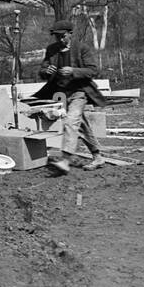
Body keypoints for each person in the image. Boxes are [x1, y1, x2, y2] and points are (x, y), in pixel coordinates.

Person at [37, 20, 105, 174]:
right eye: (57, 37)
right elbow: (42, 70)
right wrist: (46, 71)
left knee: (70, 122)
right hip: (60, 94)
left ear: (70, 34)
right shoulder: (52, 49)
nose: (60, 40)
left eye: (63, 36)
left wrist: (73, 71)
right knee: (80, 125)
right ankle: (98, 156)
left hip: (79, 92)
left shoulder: (82, 48)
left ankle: (65, 160)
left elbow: (93, 70)